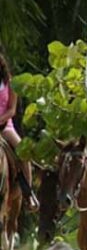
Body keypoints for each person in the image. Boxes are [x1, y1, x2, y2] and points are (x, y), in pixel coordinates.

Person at [0, 53, 38, 211]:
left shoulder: (10, 83)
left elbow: (12, 110)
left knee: (23, 153)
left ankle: (29, 193)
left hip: (5, 127)